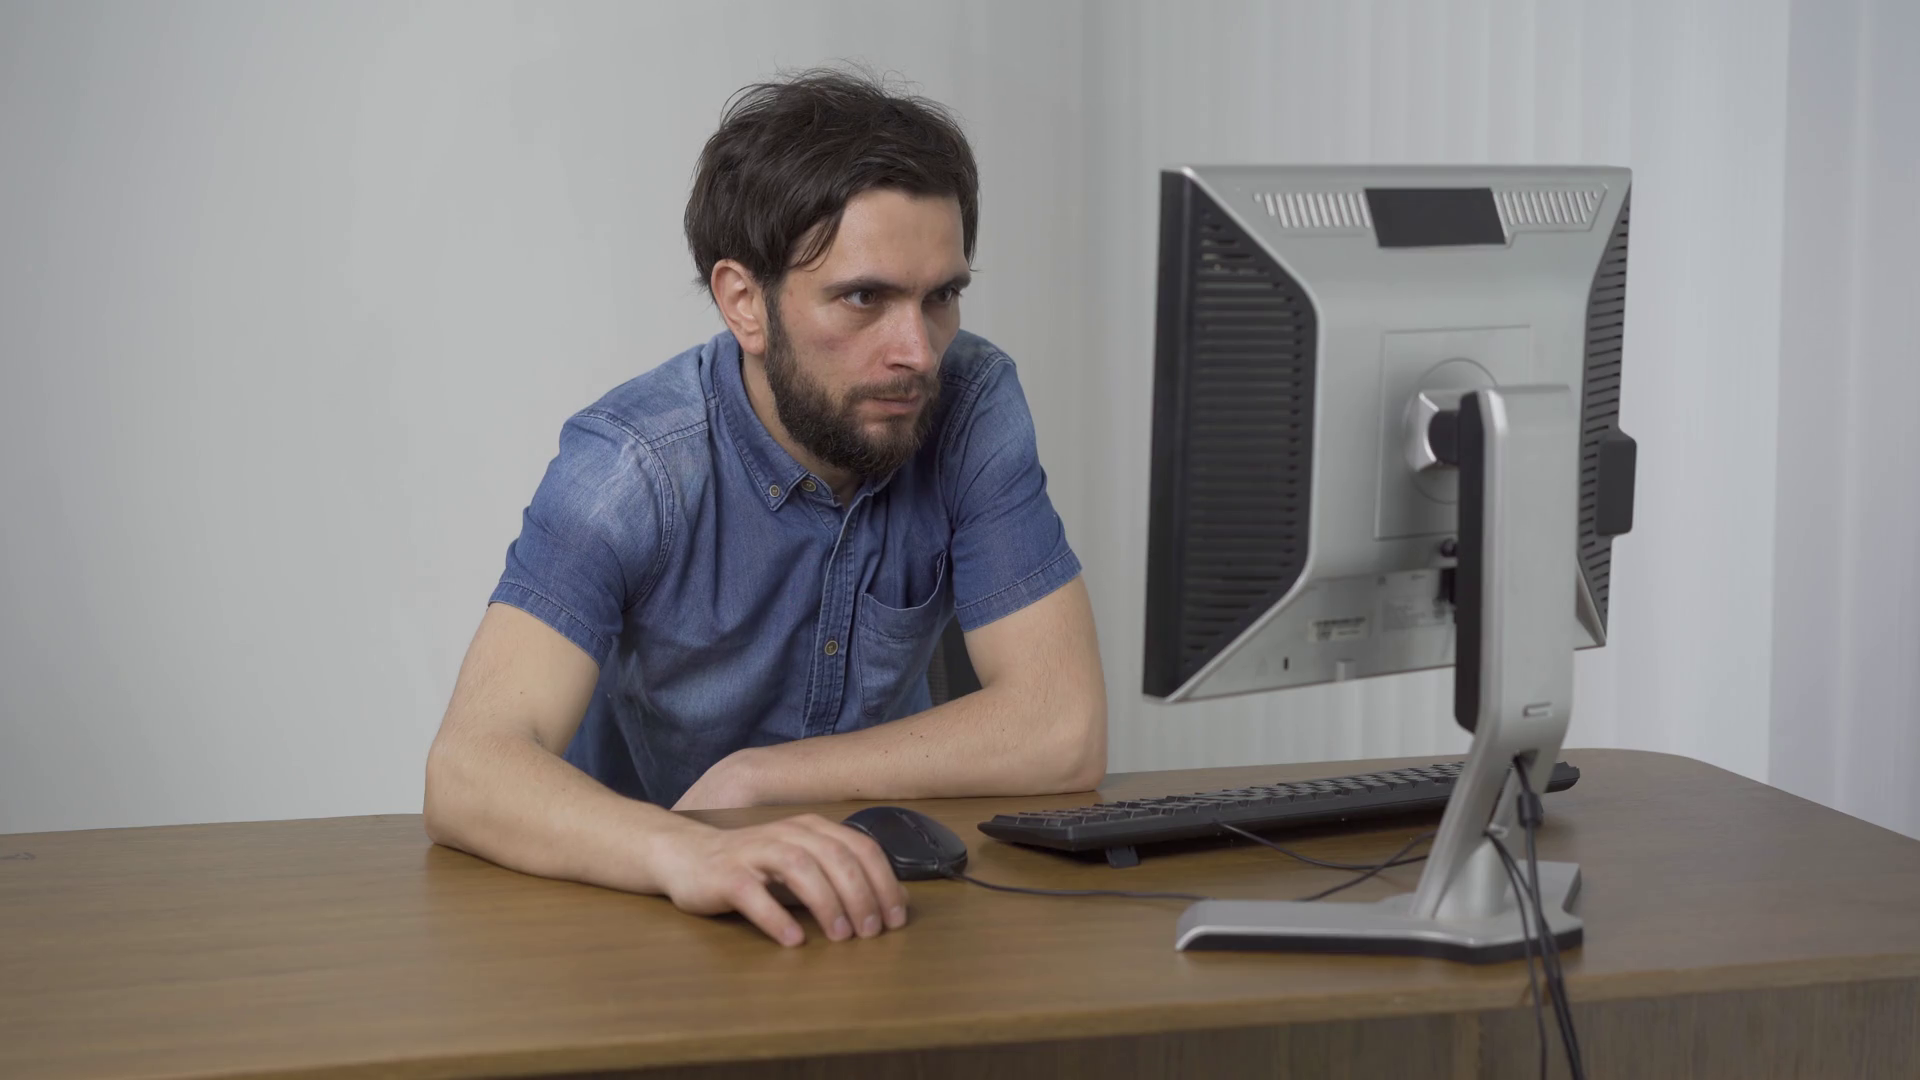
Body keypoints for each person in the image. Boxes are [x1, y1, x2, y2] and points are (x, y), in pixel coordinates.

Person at [422, 70, 1106, 947]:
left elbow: (1063, 723)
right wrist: (692, 850)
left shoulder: (970, 402)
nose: (919, 352)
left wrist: (757, 781)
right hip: (646, 917)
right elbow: (469, 768)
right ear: (744, 302)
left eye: (941, 296)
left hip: (876, 908)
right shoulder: (632, 466)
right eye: (865, 297)